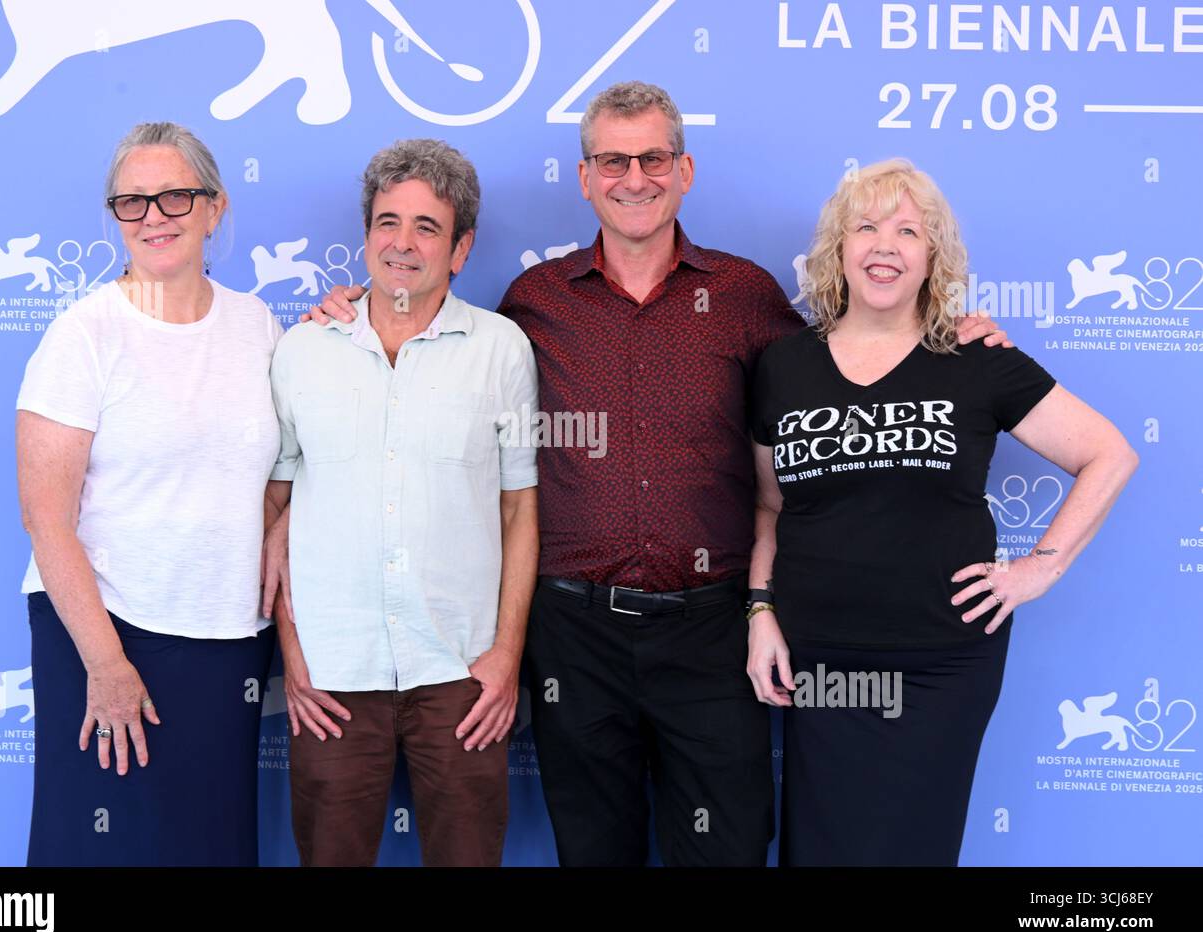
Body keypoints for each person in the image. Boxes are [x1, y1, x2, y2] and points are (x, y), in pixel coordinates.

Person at [292, 82, 1007, 866]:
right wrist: (355, 307)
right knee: (596, 850)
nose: (635, 177)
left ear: (685, 169)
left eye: (653, 158)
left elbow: (844, 366)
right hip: (574, 642)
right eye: (613, 160)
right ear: (585, 176)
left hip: (711, 633)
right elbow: (432, 329)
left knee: (726, 848)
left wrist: (948, 332)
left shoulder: (744, 296)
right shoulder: (532, 304)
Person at [747, 158, 1139, 866]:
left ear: (934, 255)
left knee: (913, 847)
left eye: (908, 230)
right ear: (839, 248)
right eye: (866, 227)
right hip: (821, 658)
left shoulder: (975, 357)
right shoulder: (783, 366)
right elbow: (771, 506)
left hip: (940, 661)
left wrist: (1036, 572)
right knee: (820, 847)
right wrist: (760, 612)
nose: (885, 245)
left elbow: (1109, 454)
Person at [16, 122, 283, 866]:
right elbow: (46, 519)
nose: (154, 216)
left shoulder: (257, 324)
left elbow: (282, 466)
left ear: (215, 206)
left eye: (174, 195)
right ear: (114, 216)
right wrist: (105, 664)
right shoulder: (84, 336)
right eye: (132, 202)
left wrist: (282, 526)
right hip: (106, 630)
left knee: (209, 845)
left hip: (228, 636)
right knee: (102, 845)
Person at [267, 139, 539, 867]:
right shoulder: (300, 352)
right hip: (332, 673)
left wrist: (506, 655)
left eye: (427, 227)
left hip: (460, 669)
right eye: (388, 222)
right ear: (365, 236)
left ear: (461, 247)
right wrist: (295, 653)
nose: (402, 244)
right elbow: (278, 515)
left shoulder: (503, 351)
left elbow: (520, 510)